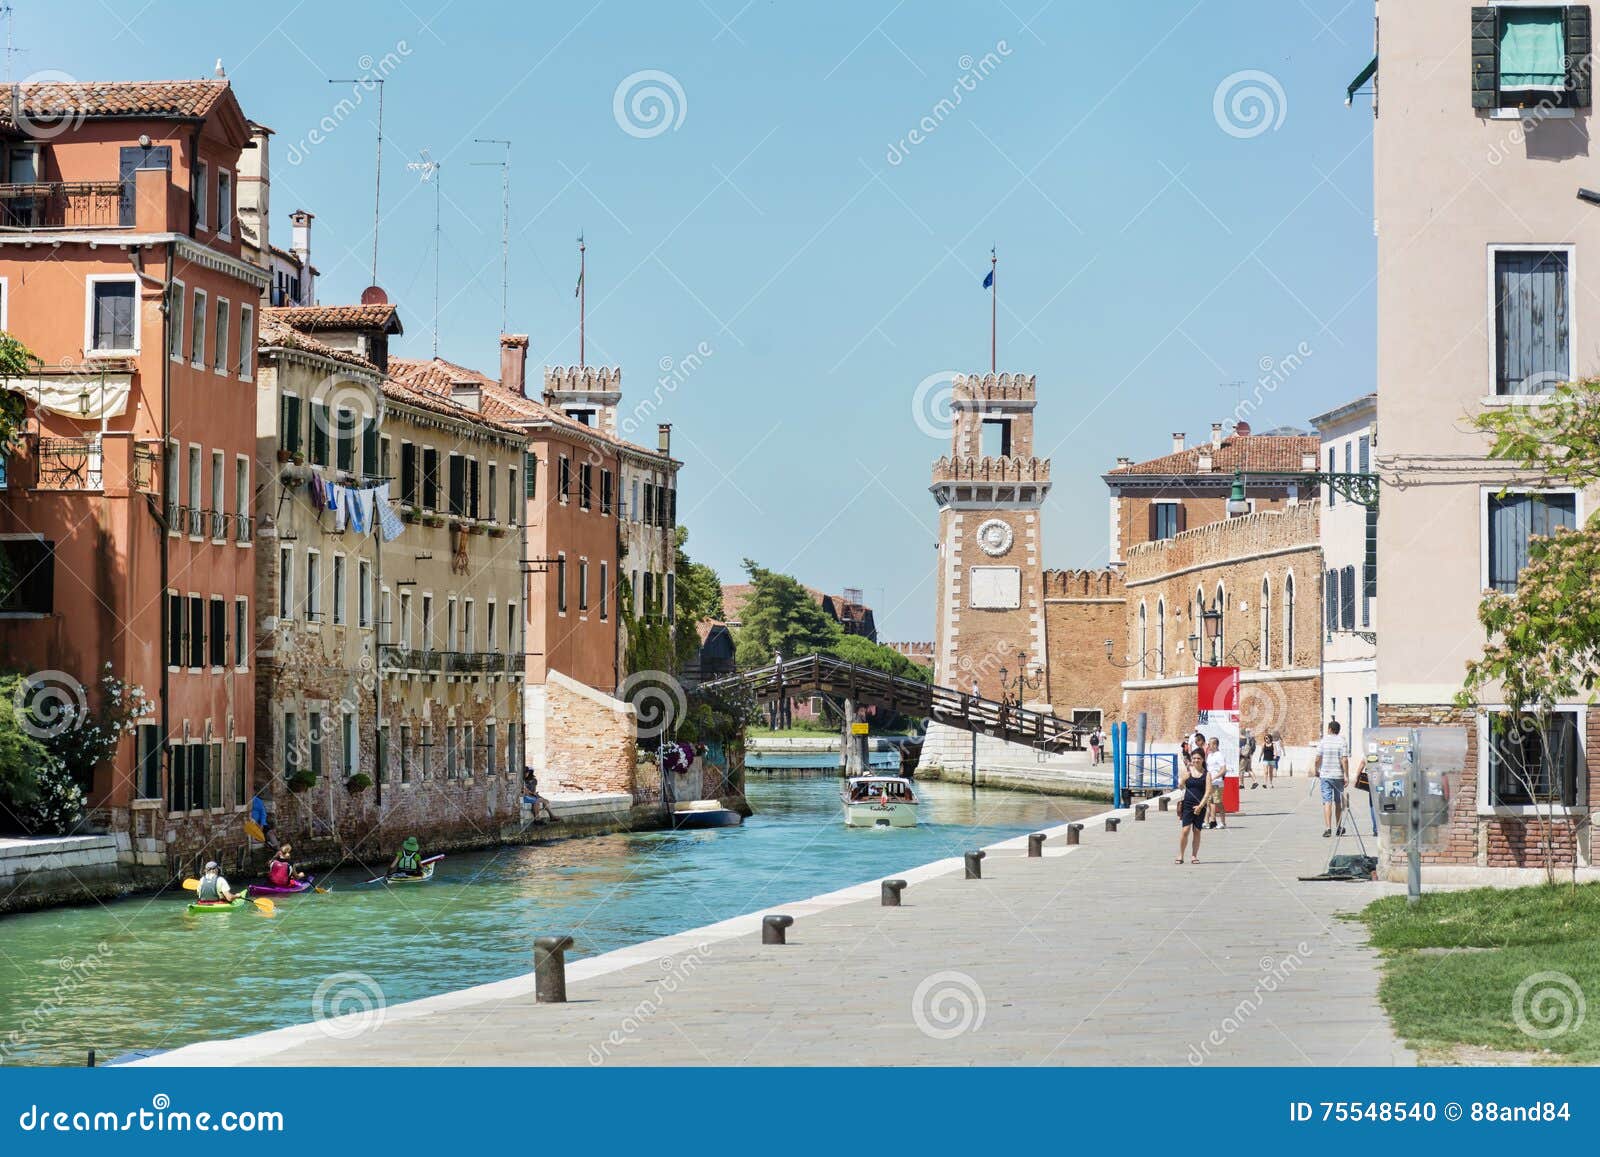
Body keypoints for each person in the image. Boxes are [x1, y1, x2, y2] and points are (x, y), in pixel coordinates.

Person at [1176, 749, 1211, 864]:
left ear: (1203, 759)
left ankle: (1194, 856)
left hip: (1201, 805)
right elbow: (1181, 787)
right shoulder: (1188, 773)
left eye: (1199, 758)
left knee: (1197, 830)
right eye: (1194, 758)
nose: (1196, 760)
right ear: (1192, 759)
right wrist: (1181, 782)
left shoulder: (1207, 774)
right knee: (1185, 830)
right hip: (1187, 805)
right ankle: (1180, 855)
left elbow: (1208, 792)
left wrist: (1200, 806)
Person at [1317, 720, 1350, 837]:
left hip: (1325, 775)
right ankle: (1339, 827)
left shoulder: (1323, 741)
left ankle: (1328, 828)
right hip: (1338, 775)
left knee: (1327, 801)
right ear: (1338, 730)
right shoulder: (1342, 741)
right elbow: (1344, 759)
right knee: (1338, 801)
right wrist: (1346, 775)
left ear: (1329, 729)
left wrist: (1317, 769)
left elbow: (1318, 758)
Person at [1204, 737, 1228, 829]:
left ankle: (1223, 822)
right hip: (1210, 783)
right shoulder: (1210, 755)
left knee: (1218, 803)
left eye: (1210, 744)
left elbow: (1223, 769)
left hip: (1217, 783)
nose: (1208, 746)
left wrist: (1214, 777)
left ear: (1215, 745)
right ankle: (1208, 822)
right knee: (1209, 803)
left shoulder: (1219, 755)